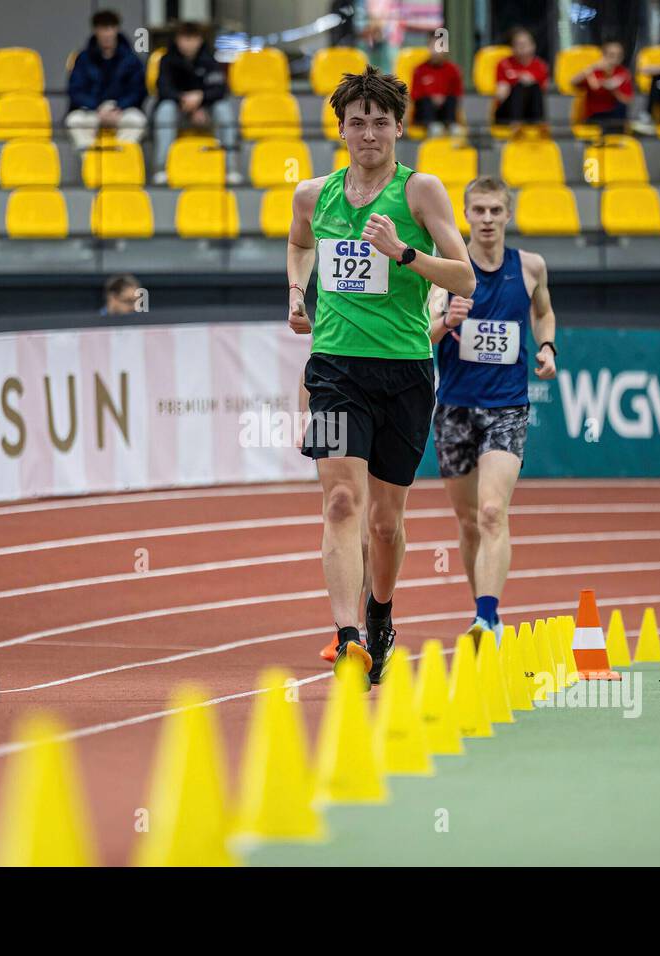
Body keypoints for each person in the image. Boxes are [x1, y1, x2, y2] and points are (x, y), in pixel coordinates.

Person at [286, 65, 475, 685]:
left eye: (381, 123)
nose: (369, 133)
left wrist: (403, 254)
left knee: (384, 522)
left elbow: (465, 278)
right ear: (341, 129)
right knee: (341, 500)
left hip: (405, 371)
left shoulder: (422, 192)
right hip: (337, 366)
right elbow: (298, 243)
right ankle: (347, 639)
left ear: (399, 128)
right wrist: (296, 292)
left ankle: (381, 614)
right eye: (357, 122)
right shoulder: (314, 196)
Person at [427, 178, 556, 645]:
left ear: (507, 215)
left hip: (506, 407)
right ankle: (483, 610)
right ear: (465, 214)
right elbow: (422, 337)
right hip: (455, 409)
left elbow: (543, 312)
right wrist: (447, 321)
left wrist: (546, 346)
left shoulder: (531, 267)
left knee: (490, 512)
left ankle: (487, 617)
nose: (485, 219)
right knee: (467, 523)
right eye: (477, 210)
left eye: (494, 211)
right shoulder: (446, 269)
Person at [152, 21, 237, 184]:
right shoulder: (166, 60)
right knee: (164, 110)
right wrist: (184, 101)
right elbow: (163, 89)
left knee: (223, 109)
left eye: (193, 38)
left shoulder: (210, 60)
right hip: (178, 111)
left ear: (200, 40)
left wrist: (201, 98)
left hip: (205, 113)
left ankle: (230, 169)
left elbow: (220, 89)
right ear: (177, 40)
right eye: (185, 38)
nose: (189, 43)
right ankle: (161, 169)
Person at [65, 9, 147, 151]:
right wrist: (96, 107)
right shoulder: (83, 58)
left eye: (110, 28)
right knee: (74, 120)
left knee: (137, 121)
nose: (106, 34)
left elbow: (138, 90)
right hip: (93, 110)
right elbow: (75, 91)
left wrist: (118, 106)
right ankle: (89, 162)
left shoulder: (131, 59)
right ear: (95, 31)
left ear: (116, 29)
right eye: (102, 29)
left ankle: (120, 161)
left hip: (121, 110)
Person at [493, 27, 550, 134]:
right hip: (506, 112)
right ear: (512, 47)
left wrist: (528, 81)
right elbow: (500, 95)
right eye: (519, 44)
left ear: (533, 46)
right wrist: (506, 88)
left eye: (525, 44)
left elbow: (541, 92)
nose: (522, 48)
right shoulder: (504, 64)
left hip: (529, 112)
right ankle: (516, 124)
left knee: (533, 86)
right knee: (518, 86)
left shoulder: (540, 66)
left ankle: (539, 124)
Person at [571, 38, 633, 134]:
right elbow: (573, 82)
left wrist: (614, 90)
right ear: (603, 55)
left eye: (619, 55)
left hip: (614, 117)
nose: (615, 59)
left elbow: (627, 100)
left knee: (620, 109)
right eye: (612, 55)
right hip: (594, 116)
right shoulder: (594, 71)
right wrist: (591, 68)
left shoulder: (623, 73)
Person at [410, 32, 464, 138]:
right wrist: (433, 98)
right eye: (433, 47)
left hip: (444, 111)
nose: (436, 51)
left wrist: (442, 98)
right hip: (425, 113)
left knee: (450, 100)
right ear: (428, 48)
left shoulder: (453, 70)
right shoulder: (419, 70)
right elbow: (415, 95)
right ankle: (432, 127)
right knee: (425, 101)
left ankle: (451, 126)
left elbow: (457, 94)